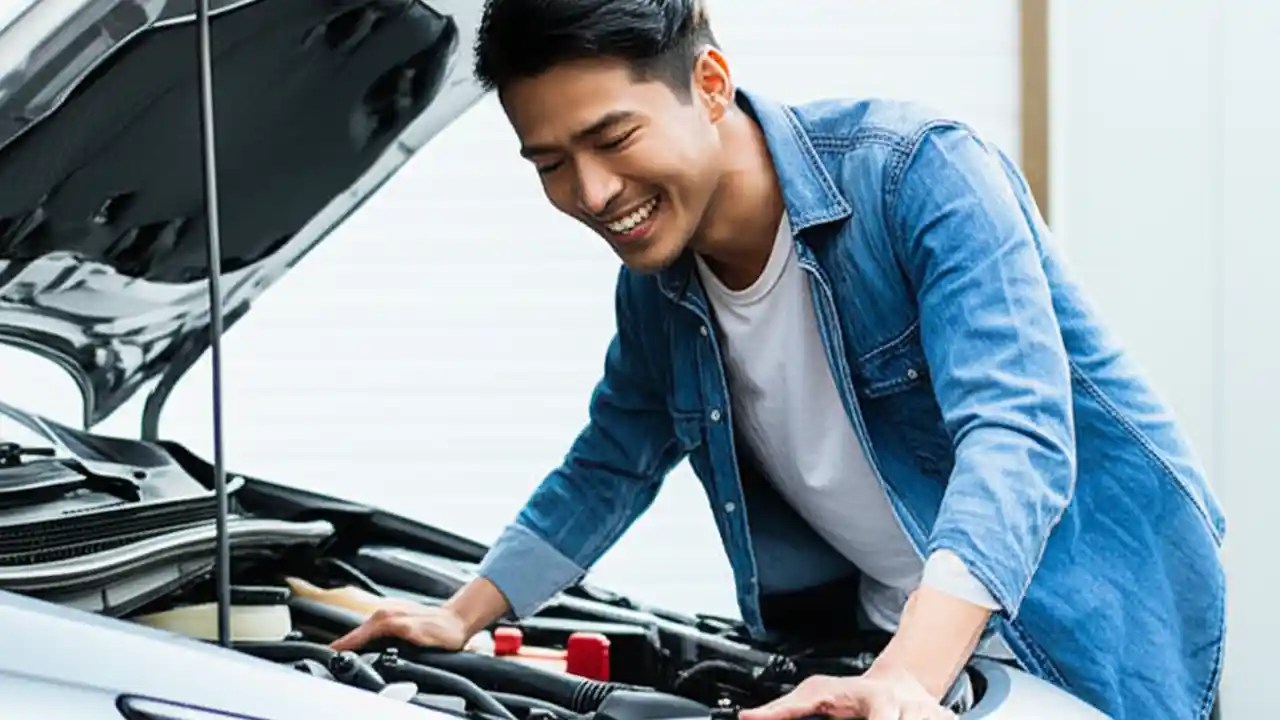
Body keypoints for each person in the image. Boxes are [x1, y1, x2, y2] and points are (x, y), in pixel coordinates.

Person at [331, 1, 1227, 717]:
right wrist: (464, 611)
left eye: (612, 139)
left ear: (710, 82)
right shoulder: (661, 290)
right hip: (883, 651)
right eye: (550, 163)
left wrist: (906, 680)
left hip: (1081, 633)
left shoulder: (919, 173)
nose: (592, 194)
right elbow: (609, 464)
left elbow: (1019, 436)